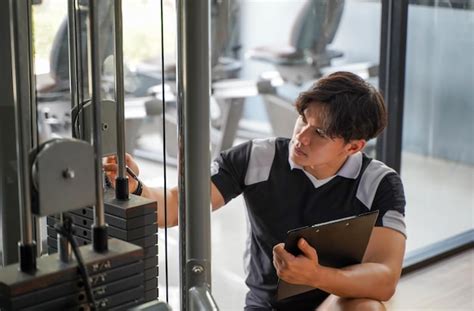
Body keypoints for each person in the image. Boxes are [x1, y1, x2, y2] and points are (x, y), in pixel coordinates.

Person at [104, 71, 406, 310]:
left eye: (320, 133)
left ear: (353, 146)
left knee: (367, 307)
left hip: (333, 300)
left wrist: (317, 276)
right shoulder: (257, 157)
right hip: (267, 306)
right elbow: (175, 208)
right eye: (303, 120)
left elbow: (385, 278)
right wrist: (136, 187)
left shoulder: (379, 183)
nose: (301, 137)